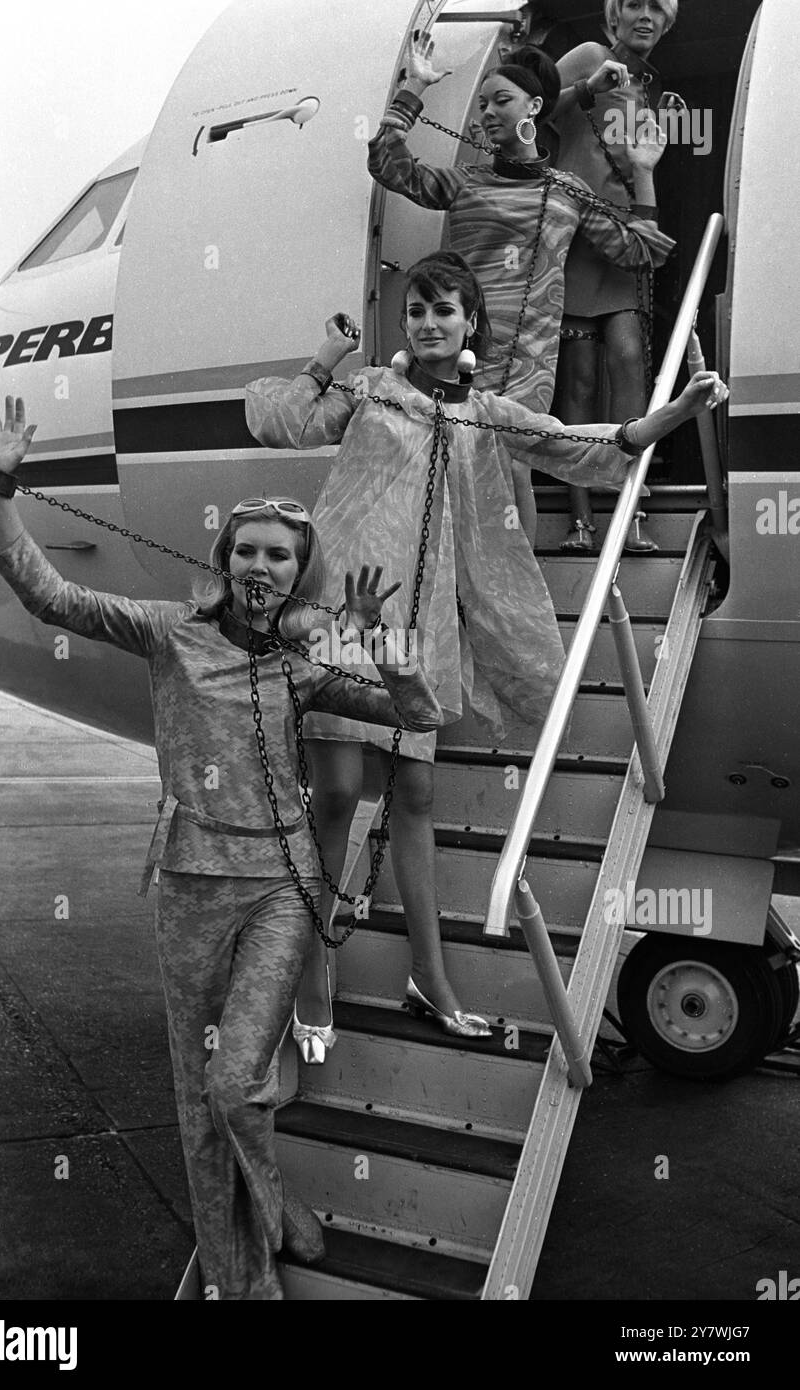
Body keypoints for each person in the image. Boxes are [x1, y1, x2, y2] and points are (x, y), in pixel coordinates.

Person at [0, 395, 442, 1301]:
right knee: (197, 1092)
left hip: (279, 884)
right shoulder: (169, 635)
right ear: (224, 558)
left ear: (297, 573)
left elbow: (417, 717)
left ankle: (275, 1206)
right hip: (190, 877)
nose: (259, 563)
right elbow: (52, 594)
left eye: (279, 554)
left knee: (236, 1084)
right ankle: (246, 1270)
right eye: (246, 548)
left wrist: (387, 648)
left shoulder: (307, 664)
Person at [245, 251, 726, 1047]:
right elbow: (275, 420)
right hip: (344, 610)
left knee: (418, 800)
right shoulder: (369, 390)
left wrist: (676, 413)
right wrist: (323, 359)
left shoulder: (490, 412)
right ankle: (313, 977)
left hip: (424, 625)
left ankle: (429, 978)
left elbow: (585, 447)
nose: (428, 324)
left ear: (472, 322)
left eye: (444, 310)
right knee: (332, 796)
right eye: (416, 312)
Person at [368, 32, 675, 544]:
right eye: (483, 103)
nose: (487, 112)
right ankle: (461, 593)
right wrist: (413, 89)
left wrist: (643, 173)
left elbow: (639, 251)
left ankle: (514, 588)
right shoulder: (465, 181)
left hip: (531, 364)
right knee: (452, 470)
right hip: (463, 352)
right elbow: (388, 165)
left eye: (501, 101)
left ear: (536, 107)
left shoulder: (567, 191)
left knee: (512, 469)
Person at [550, 0, 680, 552]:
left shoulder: (649, 87)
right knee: (578, 378)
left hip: (623, 243)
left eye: (658, 8)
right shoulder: (586, 56)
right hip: (577, 236)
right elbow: (525, 114)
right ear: (614, 16)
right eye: (635, 5)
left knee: (630, 363)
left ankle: (631, 511)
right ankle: (582, 522)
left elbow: (629, 165)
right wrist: (586, 87)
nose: (646, 16)